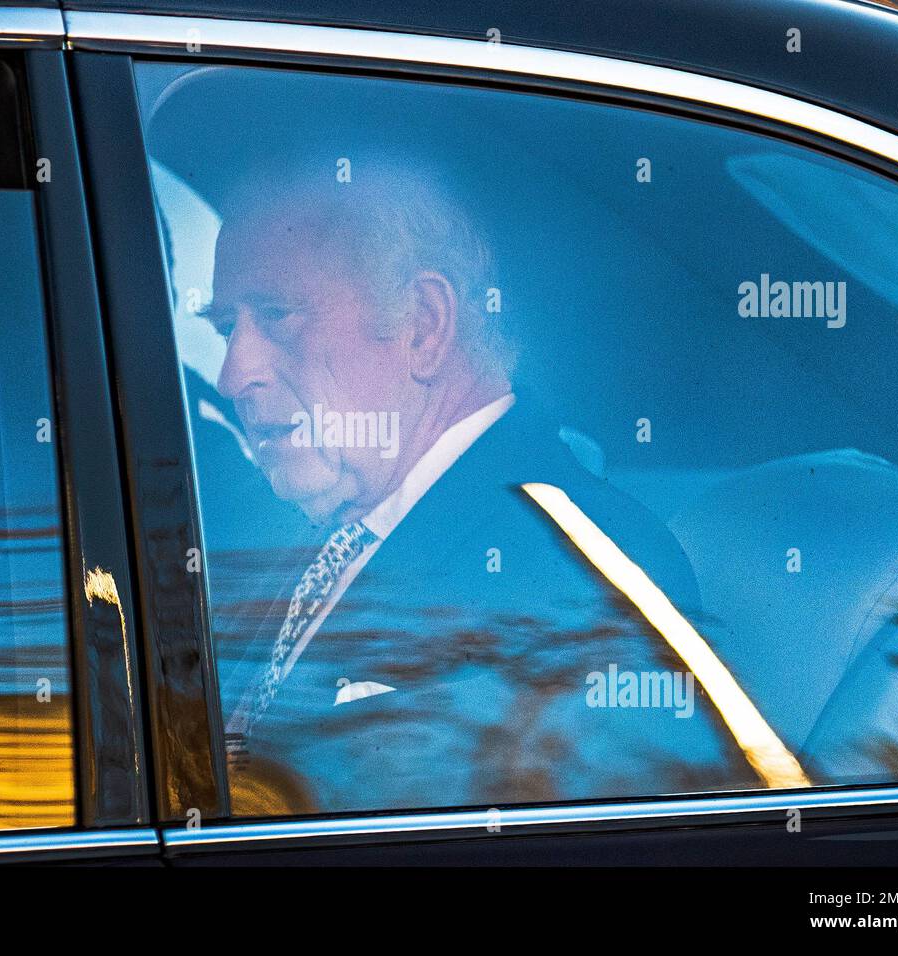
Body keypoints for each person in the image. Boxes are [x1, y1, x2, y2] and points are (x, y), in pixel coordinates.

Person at [204, 164, 756, 813]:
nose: (232, 373)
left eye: (277, 315)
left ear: (423, 326)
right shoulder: (328, 530)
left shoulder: (589, 574)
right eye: (225, 330)